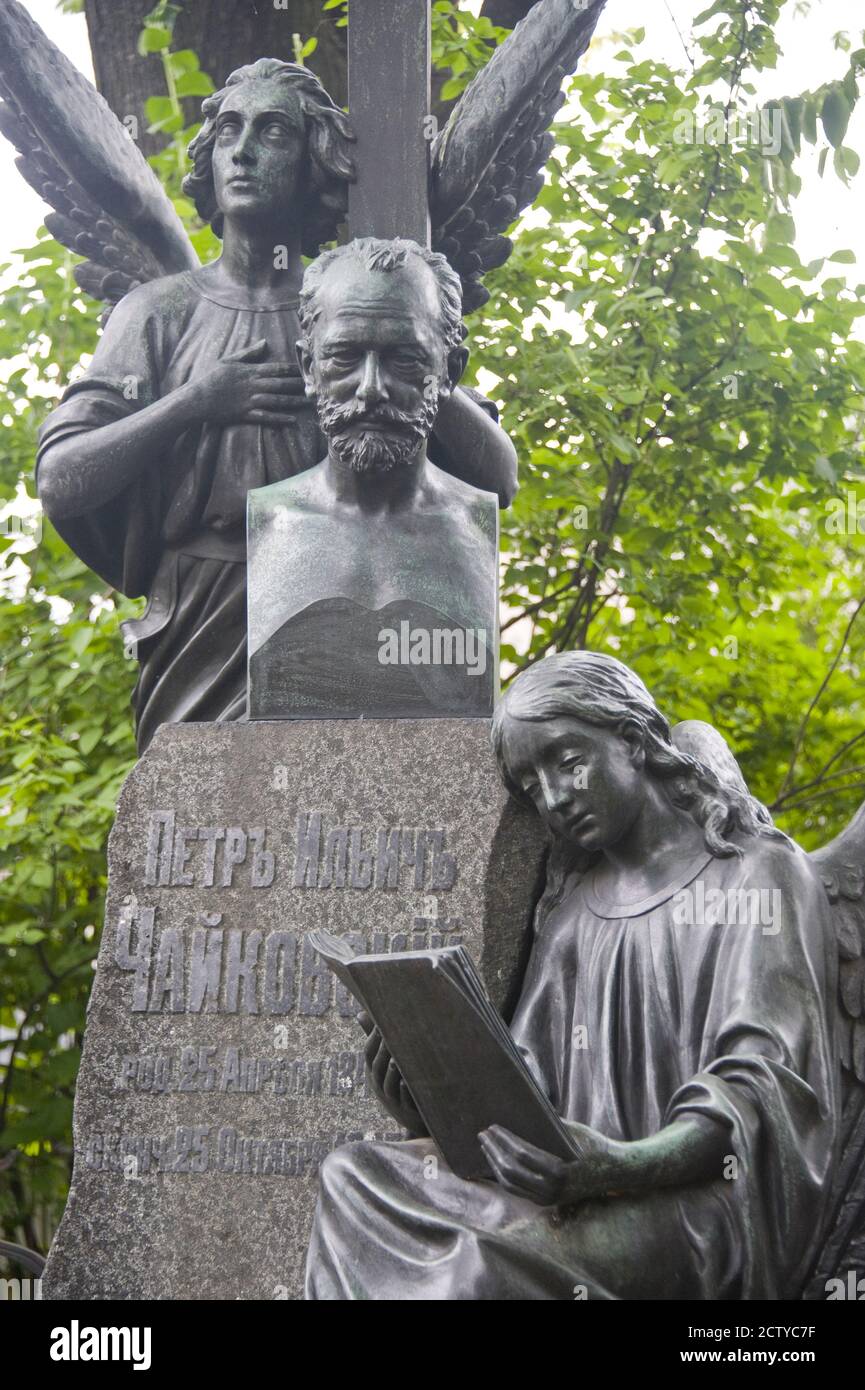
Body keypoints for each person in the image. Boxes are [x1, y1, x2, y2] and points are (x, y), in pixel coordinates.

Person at [304, 651, 840, 1300]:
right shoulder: (570, 915)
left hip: (694, 1199)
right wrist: (419, 1091)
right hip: (569, 1178)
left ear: (635, 742)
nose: (553, 798)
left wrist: (619, 1164)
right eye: (531, 786)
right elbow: (526, 1086)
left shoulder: (754, 874)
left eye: (567, 761)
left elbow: (762, 1091)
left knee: (470, 1264)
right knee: (353, 1176)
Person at [35, 60, 516, 752]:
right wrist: (195, 402)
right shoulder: (159, 314)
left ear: (315, 159)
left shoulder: (355, 306)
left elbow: (496, 479)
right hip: (203, 607)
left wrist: (418, 352)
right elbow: (61, 479)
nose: (244, 150)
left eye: (272, 132)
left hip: (340, 584)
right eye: (229, 130)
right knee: (199, 830)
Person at [247, 237, 498, 719]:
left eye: (405, 360)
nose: (371, 389)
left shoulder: (477, 522)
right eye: (344, 356)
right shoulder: (267, 520)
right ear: (308, 367)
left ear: (449, 372)